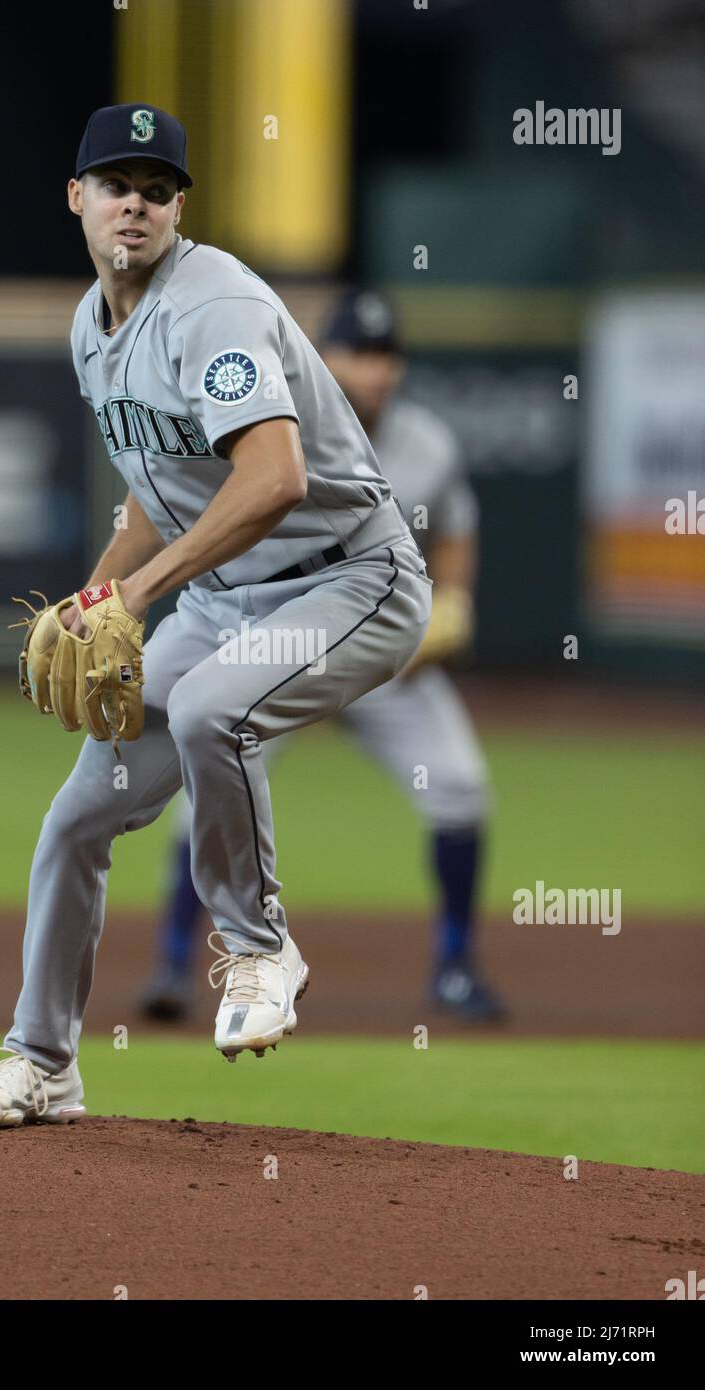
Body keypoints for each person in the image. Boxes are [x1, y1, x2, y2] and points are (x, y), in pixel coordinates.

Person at [0, 104, 431, 1129]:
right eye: (116, 184)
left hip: (350, 577)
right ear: (76, 197)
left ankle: (258, 949)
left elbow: (275, 478)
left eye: (157, 189)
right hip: (225, 594)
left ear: (176, 210)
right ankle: (42, 1062)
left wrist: (142, 592)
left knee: (213, 708)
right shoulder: (91, 326)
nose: (136, 203)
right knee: (77, 817)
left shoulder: (210, 308)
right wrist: (95, 593)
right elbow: (156, 496)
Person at [140, 289, 506, 1027]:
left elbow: (458, 527)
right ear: (322, 358)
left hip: (379, 651)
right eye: (357, 354)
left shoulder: (427, 441)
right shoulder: (273, 425)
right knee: (210, 781)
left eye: (386, 356)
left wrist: (455, 600)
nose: (374, 371)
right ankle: (176, 961)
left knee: (462, 789)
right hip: (277, 643)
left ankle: (457, 965)